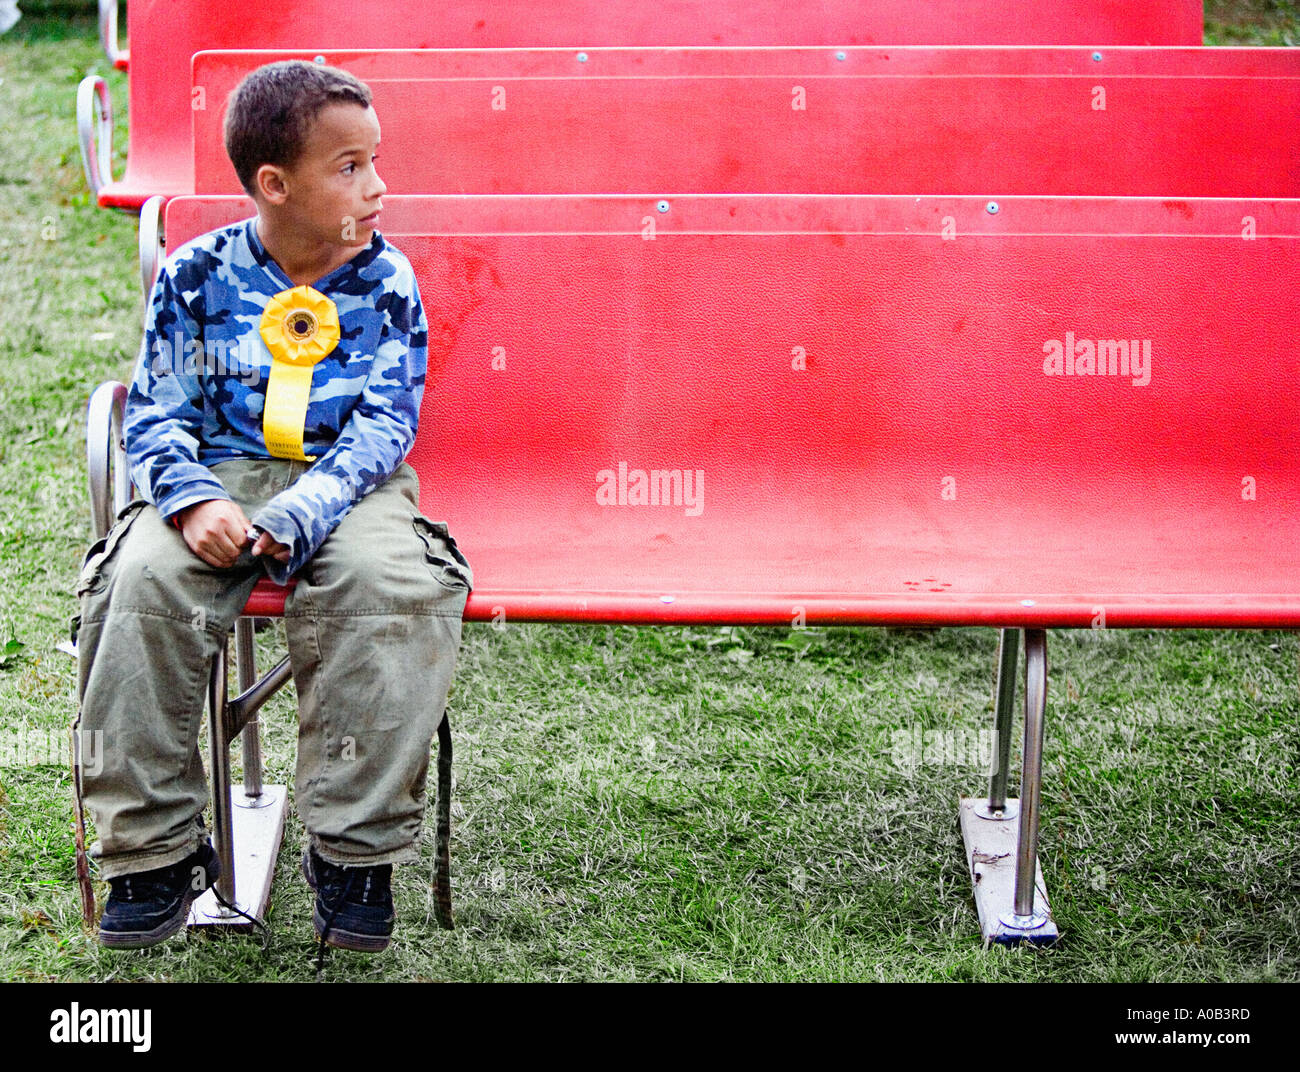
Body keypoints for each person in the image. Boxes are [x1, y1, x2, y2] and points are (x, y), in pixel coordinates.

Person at [73, 60, 471, 953]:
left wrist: (301, 513)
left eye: (375, 161)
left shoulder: (386, 282)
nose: (377, 187)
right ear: (274, 185)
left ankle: (352, 850)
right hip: (217, 477)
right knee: (135, 587)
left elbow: (382, 428)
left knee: (387, 586)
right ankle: (151, 851)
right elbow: (158, 409)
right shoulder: (194, 275)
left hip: (349, 486)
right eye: (350, 167)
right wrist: (188, 497)